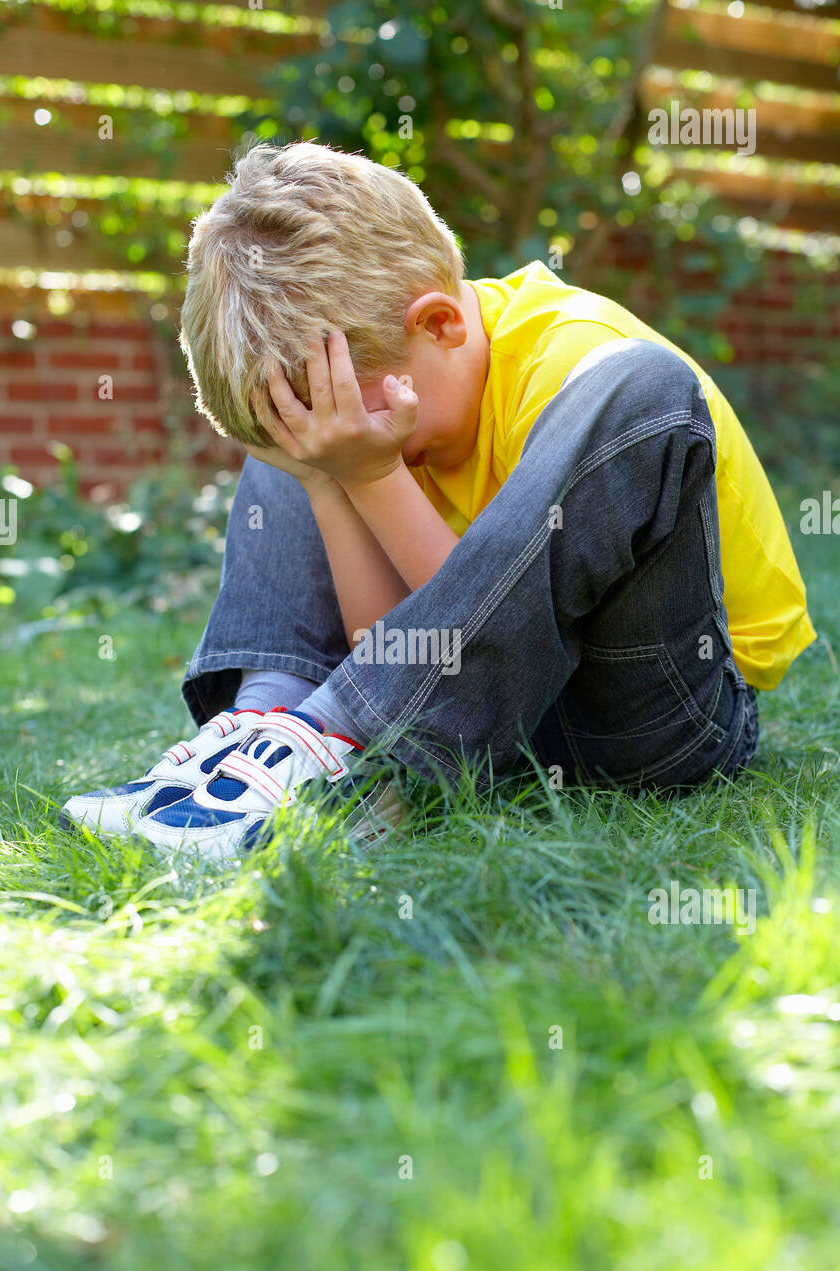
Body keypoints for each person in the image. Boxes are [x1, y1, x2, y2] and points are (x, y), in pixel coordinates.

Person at [61, 141, 816, 861]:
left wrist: (374, 474)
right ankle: (265, 735)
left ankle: (324, 739)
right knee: (305, 441)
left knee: (641, 386)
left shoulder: (569, 359)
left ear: (441, 325)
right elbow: (397, 645)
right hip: (476, 716)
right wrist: (337, 476)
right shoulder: (395, 383)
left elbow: (505, 635)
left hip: (649, 709)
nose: (362, 446)